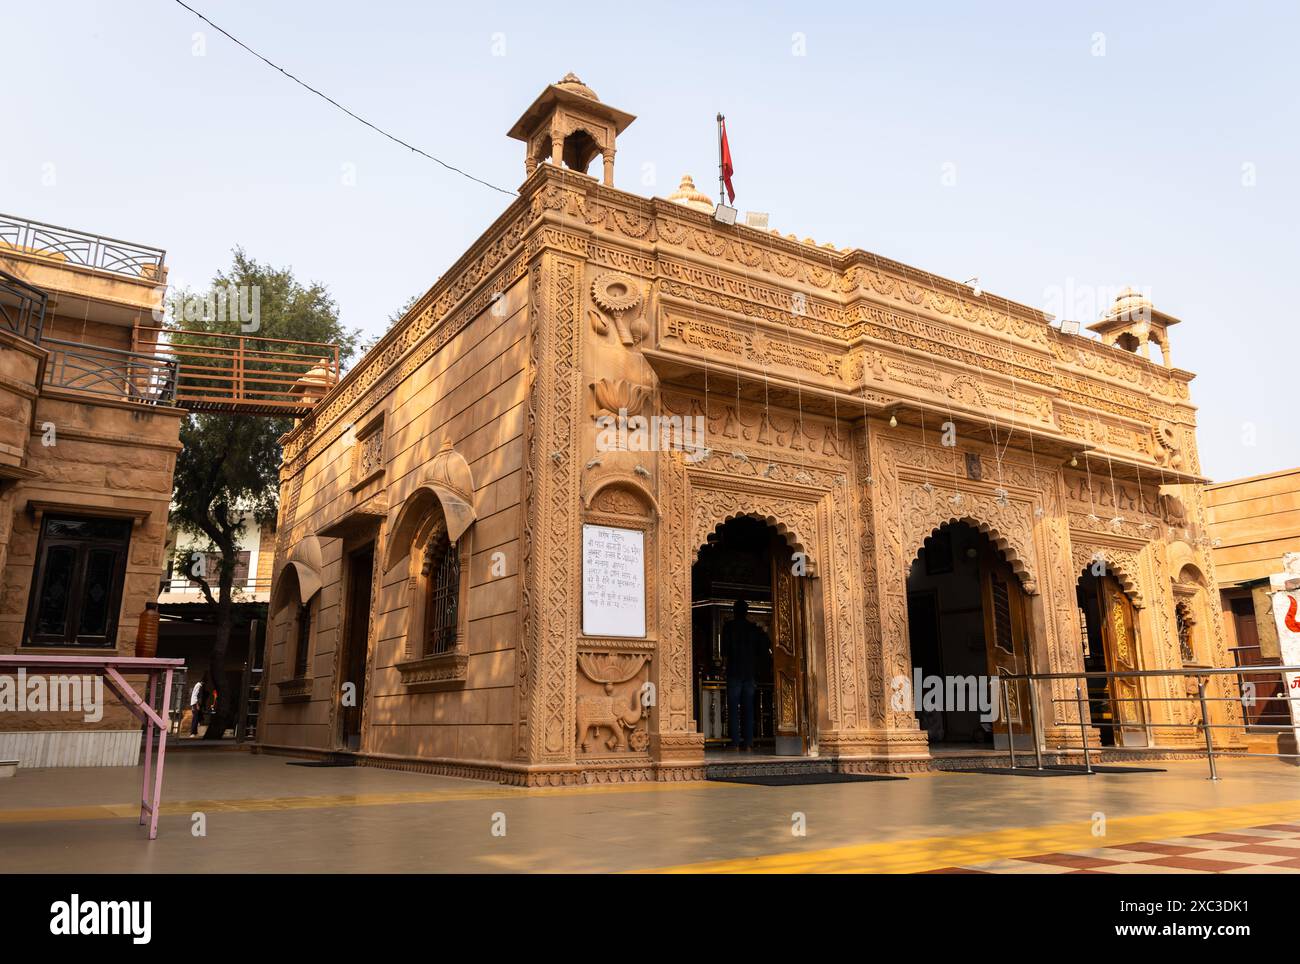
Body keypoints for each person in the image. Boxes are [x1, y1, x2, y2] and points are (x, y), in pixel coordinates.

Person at [721, 599, 768, 751]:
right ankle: (748, 742)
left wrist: (724, 667)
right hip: (749, 673)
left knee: (733, 709)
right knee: (748, 709)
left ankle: (735, 742)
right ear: (746, 612)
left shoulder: (729, 627)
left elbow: (725, 652)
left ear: (734, 611)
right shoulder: (753, 629)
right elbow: (764, 648)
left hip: (734, 671)